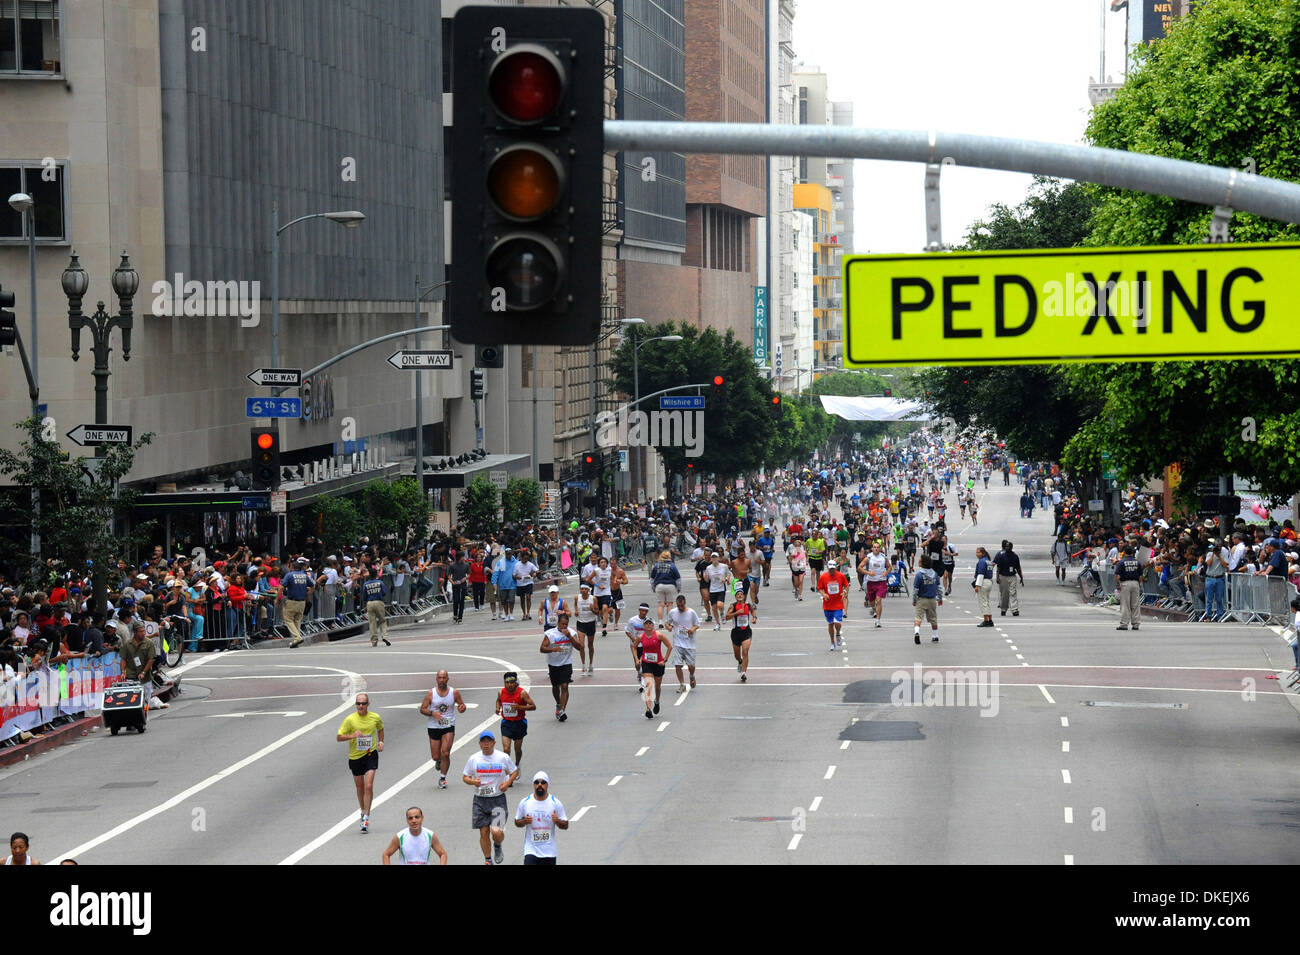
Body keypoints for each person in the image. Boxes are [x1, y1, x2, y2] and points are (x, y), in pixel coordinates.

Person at [462, 731, 518, 865]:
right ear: (480, 744)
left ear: (494, 743)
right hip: (480, 800)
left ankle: (497, 845)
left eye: (488, 741)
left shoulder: (502, 757)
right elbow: (465, 776)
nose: (486, 744)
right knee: (484, 832)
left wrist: (507, 783)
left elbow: (514, 771)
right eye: (483, 741)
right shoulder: (474, 759)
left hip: (497, 799)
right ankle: (488, 859)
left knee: (496, 832)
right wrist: (472, 782)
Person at [337, 693, 384, 833]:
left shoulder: (375, 717)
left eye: (363, 703)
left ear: (368, 704)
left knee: (368, 786)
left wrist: (380, 741)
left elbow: (380, 728)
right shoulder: (350, 720)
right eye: (358, 704)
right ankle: (363, 810)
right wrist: (352, 735)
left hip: (370, 754)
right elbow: (339, 737)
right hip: (355, 757)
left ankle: (366, 818)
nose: (361, 706)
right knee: (360, 788)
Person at [419, 669, 466, 789]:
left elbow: (462, 704)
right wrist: (432, 713)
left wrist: (462, 707)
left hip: (448, 725)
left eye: (444, 678)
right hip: (434, 726)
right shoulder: (431, 693)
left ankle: (443, 778)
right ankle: (438, 761)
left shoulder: (454, 692)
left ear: (448, 679)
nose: (442, 680)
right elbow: (422, 709)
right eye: (440, 678)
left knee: (445, 752)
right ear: (436, 679)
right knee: (436, 756)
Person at [515, 771, 568, 865]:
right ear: (533, 785)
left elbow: (565, 825)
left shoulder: (555, 803)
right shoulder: (525, 802)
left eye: (543, 782)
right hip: (531, 850)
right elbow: (517, 822)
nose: (540, 785)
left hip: (549, 851)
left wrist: (557, 821)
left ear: (547, 785)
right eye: (537, 782)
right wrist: (524, 821)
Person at [540, 611, 584, 722]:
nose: (564, 626)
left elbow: (580, 647)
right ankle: (558, 704)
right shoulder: (550, 634)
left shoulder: (571, 633)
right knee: (556, 687)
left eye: (566, 624)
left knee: (564, 686)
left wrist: (569, 636)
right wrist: (553, 649)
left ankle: (562, 710)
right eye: (562, 624)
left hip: (566, 663)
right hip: (553, 664)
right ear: (558, 623)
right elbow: (542, 648)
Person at [494, 672, 536, 767]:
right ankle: (509, 770)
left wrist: (519, 707)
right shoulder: (501, 692)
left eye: (512, 682)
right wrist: (497, 708)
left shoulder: (522, 693)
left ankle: (517, 764)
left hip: (519, 723)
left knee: (517, 749)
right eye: (507, 683)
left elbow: (533, 706)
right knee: (506, 749)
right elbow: (498, 701)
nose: (509, 685)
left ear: (516, 682)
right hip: (506, 723)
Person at [382, 807, 448, 865]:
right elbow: (386, 855)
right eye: (410, 818)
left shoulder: (430, 835)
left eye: (417, 817)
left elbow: (443, 854)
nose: (414, 820)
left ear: (422, 818)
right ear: (407, 820)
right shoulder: (400, 837)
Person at [637, 623, 673, 718]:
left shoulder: (659, 635)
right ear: (644, 626)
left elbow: (669, 646)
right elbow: (634, 646)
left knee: (657, 686)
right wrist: (637, 659)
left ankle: (657, 702)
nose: (648, 625)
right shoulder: (641, 636)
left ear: (653, 626)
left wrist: (664, 660)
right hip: (646, 663)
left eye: (650, 624)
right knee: (648, 685)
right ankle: (648, 709)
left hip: (658, 663)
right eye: (646, 624)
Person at [667, 593, 701, 693]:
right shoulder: (673, 612)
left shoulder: (691, 612)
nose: (680, 608)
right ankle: (682, 684)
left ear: (685, 603)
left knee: (691, 666)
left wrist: (692, 629)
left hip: (690, 643)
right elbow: (667, 622)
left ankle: (691, 675)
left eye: (681, 605)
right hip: (678, 642)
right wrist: (668, 627)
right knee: (677, 665)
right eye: (678, 606)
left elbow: (697, 624)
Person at [279, 557, 314, 648]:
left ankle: (297, 637)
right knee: (297, 620)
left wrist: (276, 598)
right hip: (302, 602)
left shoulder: (289, 575)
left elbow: (282, 587)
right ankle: (295, 640)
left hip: (292, 601)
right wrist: (307, 594)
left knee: (288, 619)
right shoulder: (304, 575)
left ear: (292, 567)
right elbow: (313, 585)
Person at [724, 584, 755, 683]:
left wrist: (754, 618)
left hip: (746, 632)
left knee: (745, 651)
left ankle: (744, 673)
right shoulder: (732, 606)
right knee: (737, 655)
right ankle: (740, 662)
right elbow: (727, 617)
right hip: (736, 633)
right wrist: (736, 613)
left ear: (744, 596)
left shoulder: (748, 605)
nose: (740, 595)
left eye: (741, 594)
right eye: (738, 594)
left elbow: (753, 612)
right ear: (735, 597)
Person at [817, 558, 849, 650]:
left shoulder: (841, 576)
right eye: (830, 569)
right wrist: (823, 594)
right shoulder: (823, 577)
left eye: (833, 569)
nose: (831, 570)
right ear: (827, 568)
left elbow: (846, 585)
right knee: (830, 624)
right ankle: (832, 642)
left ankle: (838, 633)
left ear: (835, 568)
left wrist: (845, 592)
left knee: (837, 623)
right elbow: (819, 588)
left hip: (838, 604)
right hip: (827, 605)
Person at [859, 539, 890, 629]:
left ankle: (878, 621)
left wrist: (886, 572)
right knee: (872, 602)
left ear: (880, 549)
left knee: (879, 600)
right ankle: (873, 609)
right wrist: (868, 573)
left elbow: (889, 568)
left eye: (878, 547)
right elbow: (860, 568)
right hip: (871, 582)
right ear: (872, 548)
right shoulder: (868, 557)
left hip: (881, 581)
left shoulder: (883, 557)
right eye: (874, 547)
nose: (876, 549)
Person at [912, 554, 943, 644]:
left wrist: (914, 600)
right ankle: (935, 636)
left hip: (922, 599)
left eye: (920, 561)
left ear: (923, 563)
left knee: (918, 618)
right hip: (932, 599)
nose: (918, 562)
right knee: (933, 618)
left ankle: (917, 632)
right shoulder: (935, 574)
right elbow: (939, 588)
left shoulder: (919, 575)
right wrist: (940, 598)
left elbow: (915, 590)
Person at [1114, 544, 1144, 631]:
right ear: (1132, 553)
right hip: (1135, 583)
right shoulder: (1137, 562)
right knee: (1135, 604)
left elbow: (1116, 575)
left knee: (1125, 604)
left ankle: (1124, 624)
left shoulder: (1121, 562)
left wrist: (1117, 585)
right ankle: (1136, 624)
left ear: (1124, 553)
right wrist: (1139, 584)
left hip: (1125, 583)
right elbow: (1141, 576)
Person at [624, 602, 654, 687]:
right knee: (637, 664)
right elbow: (627, 631)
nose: (644, 613)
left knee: (644, 663)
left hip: (645, 645)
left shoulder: (649, 621)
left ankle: (643, 680)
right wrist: (634, 640)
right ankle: (639, 673)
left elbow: (651, 632)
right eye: (642, 611)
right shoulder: (632, 620)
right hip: (635, 646)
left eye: (645, 611)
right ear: (639, 610)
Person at [649, 550, 681, 626]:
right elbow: (678, 578)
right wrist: (678, 587)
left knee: (661, 604)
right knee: (670, 604)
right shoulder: (672, 565)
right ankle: (669, 621)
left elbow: (652, 578)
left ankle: (660, 622)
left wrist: (653, 587)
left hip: (659, 585)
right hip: (670, 585)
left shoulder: (657, 565)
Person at [361, 566, 392, 647]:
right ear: (376, 574)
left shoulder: (365, 584)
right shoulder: (380, 582)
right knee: (382, 620)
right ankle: (385, 636)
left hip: (370, 603)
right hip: (379, 602)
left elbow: (364, 596)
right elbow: (384, 592)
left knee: (372, 622)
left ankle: (374, 641)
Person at [572, 582, 599, 676]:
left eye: (585, 589)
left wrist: (592, 609)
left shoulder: (593, 598)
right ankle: (583, 666)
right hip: (581, 623)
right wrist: (575, 610)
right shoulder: (577, 598)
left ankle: (591, 664)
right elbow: (575, 605)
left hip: (591, 623)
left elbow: (597, 612)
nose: (583, 591)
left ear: (588, 590)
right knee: (581, 645)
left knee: (590, 645)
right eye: (582, 589)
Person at [993, 540, 1024, 617]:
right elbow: (998, 568)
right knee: (1004, 594)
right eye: (1006, 546)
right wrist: (997, 577)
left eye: (1008, 546)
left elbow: (1018, 568)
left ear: (1011, 547)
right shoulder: (1001, 556)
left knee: (1013, 593)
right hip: (1003, 576)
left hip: (1012, 576)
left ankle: (1014, 609)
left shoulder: (1015, 556)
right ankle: (1003, 609)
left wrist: (1021, 577)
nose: (1007, 548)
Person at [704, 552, 731, 630]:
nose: (714, 559)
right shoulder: (708, 568)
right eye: (713, 557)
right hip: (712, 589)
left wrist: (725, 579)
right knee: (714, 608)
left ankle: (722, 614)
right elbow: (707, 580)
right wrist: (705, 577)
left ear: (718, 558)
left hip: (721, 588)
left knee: (720, 605)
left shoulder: (724, 566)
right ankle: (717, 623)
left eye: (716, 557)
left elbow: (728, 574)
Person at [972, 546, 995, 627]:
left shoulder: (982, 561)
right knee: (987, 601)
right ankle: (990, 619)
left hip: (983, 582)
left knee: (983, 601)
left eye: (978, 552)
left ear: (982, 553)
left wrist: (977, 585)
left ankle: (986, 620)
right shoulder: (988, 561)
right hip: (989, 581)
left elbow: (980, 574)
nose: (976, 554)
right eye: (976, 552)